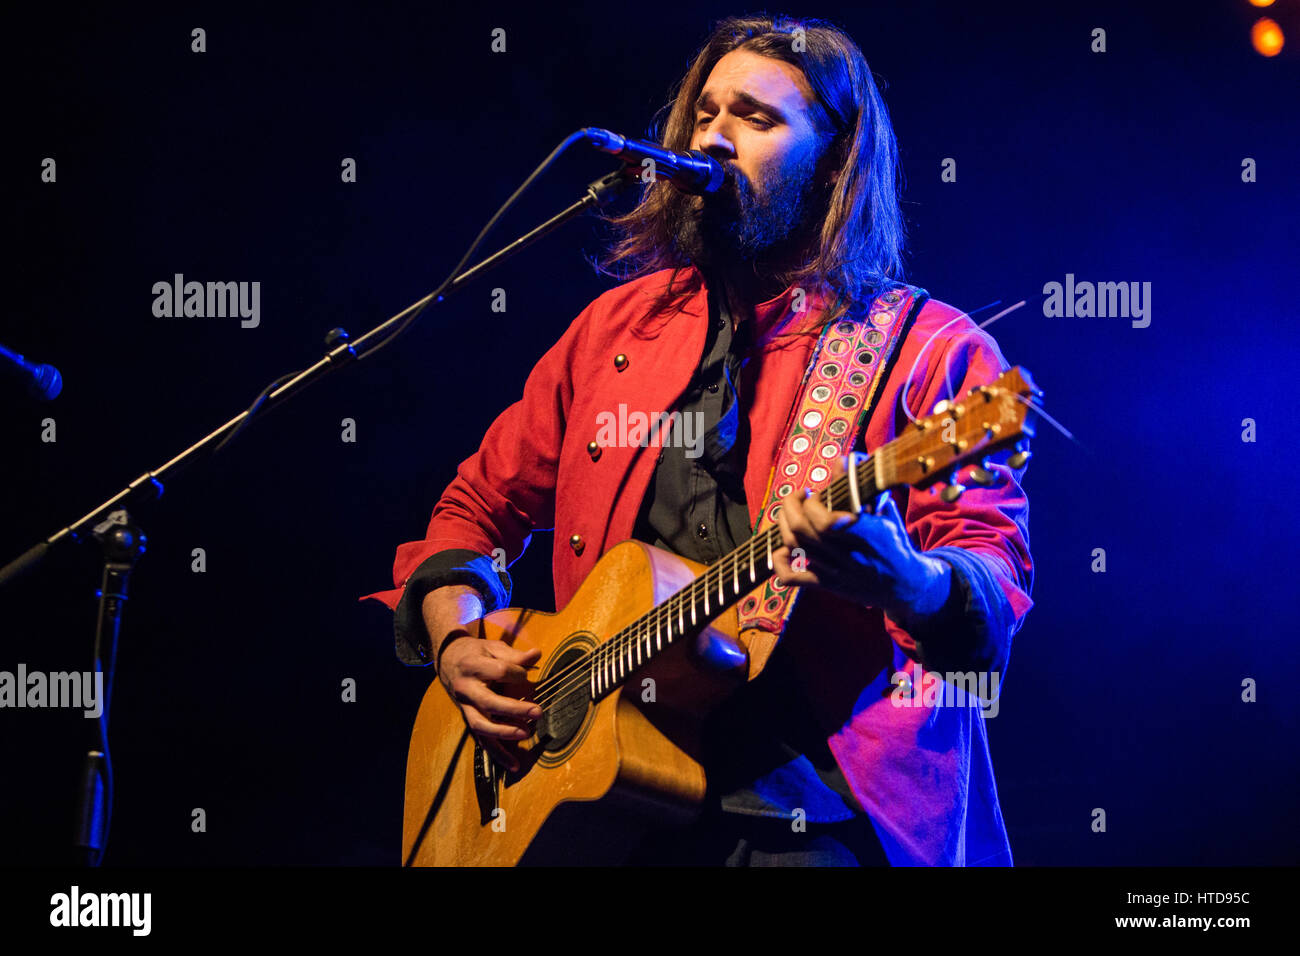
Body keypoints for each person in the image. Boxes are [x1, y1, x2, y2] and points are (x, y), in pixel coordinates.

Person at [363, 14, 1033, 866]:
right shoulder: (619, 327)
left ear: (835, 160)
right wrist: (457, 638)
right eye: (705, 112)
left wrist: (908, 582)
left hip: (817, 816)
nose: (714, 136)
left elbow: (992, 587)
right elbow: (473, 509)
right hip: (613, 806)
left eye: (756, 118)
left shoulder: (928, 349)